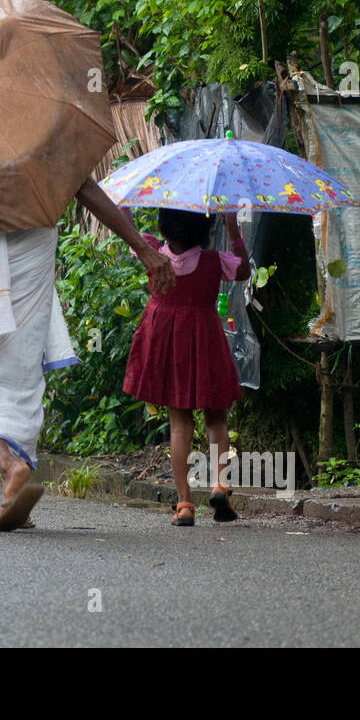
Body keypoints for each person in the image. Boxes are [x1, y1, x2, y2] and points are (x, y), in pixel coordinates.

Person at [0, 178, 175, 531]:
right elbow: (85, 187)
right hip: (35, 238)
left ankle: (9, 466)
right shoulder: (47, 124)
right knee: (21, 363)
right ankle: (13, 484)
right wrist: (142, 249)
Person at [122, 208, 250, 526]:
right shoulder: (214, 261)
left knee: (179, 425)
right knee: (216, 420)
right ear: (205, 230)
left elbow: (127, 230)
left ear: (164, 229)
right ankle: (219, 484)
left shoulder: (151, 252)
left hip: (169, 346)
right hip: (206, 341)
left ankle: (184, 504)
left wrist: (124, 204)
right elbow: (244, 271)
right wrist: (233, 230)